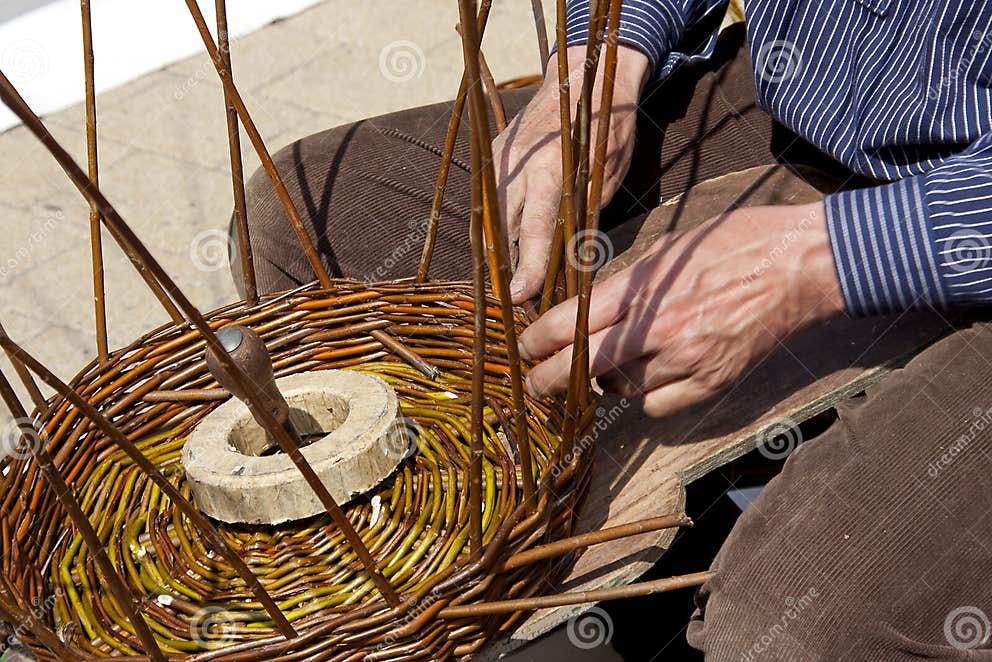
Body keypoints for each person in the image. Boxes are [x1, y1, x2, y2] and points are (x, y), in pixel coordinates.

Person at [236, 1, 992, 658]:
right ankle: (642, 599)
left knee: (793, 628)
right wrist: (602, 61)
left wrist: (819, 260)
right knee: (305, 222)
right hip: (814, 97)